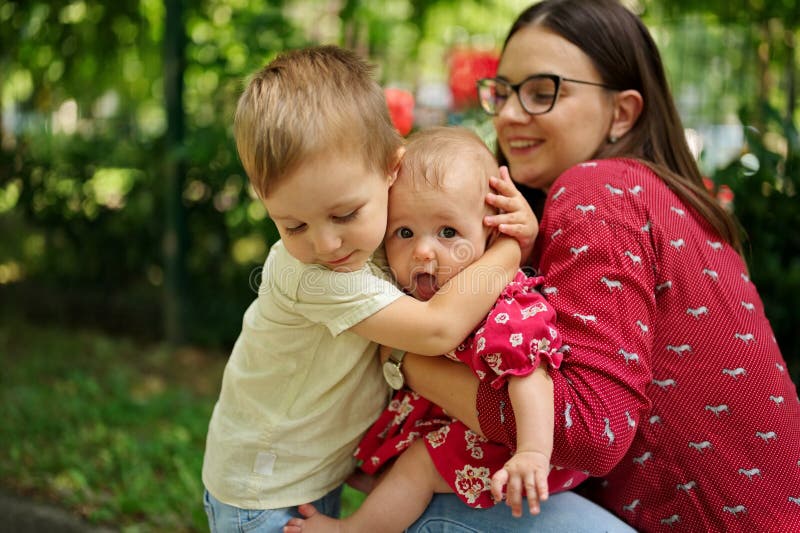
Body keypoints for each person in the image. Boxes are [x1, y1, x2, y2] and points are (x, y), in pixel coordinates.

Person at [387, 1, 800, 532]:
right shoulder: (674, 201)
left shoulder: (596, 191)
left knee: (440, 493)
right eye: (504, 92)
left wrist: (405, 351)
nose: (510, 115)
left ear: (623, 112)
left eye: (543, 92)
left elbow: (587, 429)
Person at [201, 47, 529, 532]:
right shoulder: (312, 274)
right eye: (293, 225)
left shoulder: (383, 236)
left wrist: (492, 217)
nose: (325, 242)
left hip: (311, 474)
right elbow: (438, 328)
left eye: (344, 215)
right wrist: (511, 247)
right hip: (264, 492)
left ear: (391, 169)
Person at [283, 127, 588, 533]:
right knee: (412, 457)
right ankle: (390, 485)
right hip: (467, 424)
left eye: (448, 233)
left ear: (491, 233)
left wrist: (532, 452)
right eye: (404, 233)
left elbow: (530, 371)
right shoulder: (412, 288)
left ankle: (352, 529)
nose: (423, 251)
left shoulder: (501, 306)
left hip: (523, 452)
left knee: (421, 465)